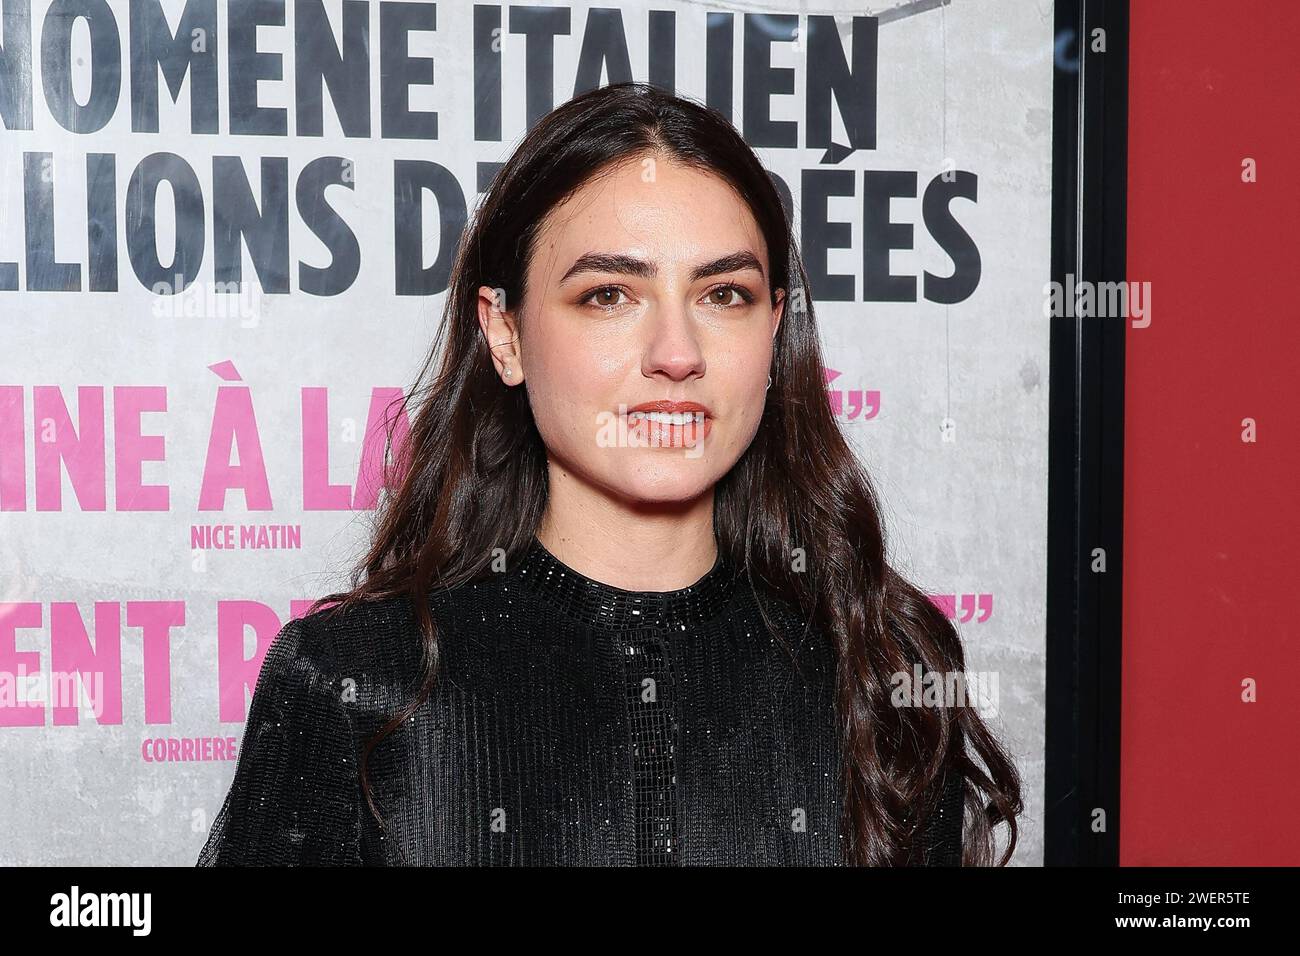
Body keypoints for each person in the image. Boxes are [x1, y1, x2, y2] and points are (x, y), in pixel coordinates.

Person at [197, 81, 1023, 867]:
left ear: (776, 329)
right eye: (608, 296)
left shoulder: (876, 681)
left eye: (724, 294)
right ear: (506, 333)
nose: (676, 354)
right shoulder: (358, 683)